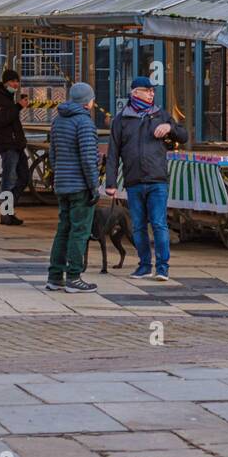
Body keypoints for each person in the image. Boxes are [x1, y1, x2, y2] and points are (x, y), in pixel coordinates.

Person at [105, 76, 188, 281]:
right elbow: (113, 153)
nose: (151, 93)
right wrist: (111, 183)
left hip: (157, 179)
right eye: (147, 90)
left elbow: (183, 135)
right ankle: (144, 265)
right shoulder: (121, 119)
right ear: (134, 93)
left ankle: (162, 267)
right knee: (139, 226)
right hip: (134, 181)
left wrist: (170, 128)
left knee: (159, 223)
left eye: (153, 90)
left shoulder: (160, 115)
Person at [45, 82, 100, 294]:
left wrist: (58, 176)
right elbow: (88, 158)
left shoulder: (58, 120)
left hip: (62, 183)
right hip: (79, 185)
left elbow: (53, 154)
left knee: (63, 229)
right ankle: (74, 277)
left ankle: (55, 276)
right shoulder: (84, 123)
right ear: (87, 102)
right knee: (80, 231)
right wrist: (94, 186)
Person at [0, 68, 30, 226]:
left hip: (17, 144)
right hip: (8, 145)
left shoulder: (8, 97)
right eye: (12, 81)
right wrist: (18, 107)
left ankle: (9, 209)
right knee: (8, 179)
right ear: (5, 82)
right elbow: (1, 120)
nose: (16, 84)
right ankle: (5, 213)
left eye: (17, 81)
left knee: (24, 177)